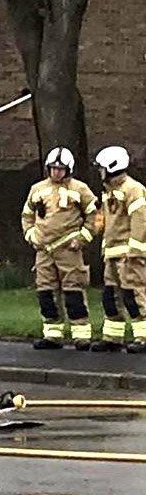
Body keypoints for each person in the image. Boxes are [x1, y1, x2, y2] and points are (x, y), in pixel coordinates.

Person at [20, 147, 98, 350]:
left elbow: (95, 217)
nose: (56, 172)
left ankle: (81, 336)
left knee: (73, 292)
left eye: (60, 169)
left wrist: (83, 238)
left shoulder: (80, 189)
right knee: (46, 293)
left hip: (68, 249)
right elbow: (27, 215)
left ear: (68, 169)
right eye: (53, 168)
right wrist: (31, 235)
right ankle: (52, 335)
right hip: (44, 251)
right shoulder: (37, 189)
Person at [91, 146, 146, 352]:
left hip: (128, 254)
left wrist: (136, 251)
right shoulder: (109, 191)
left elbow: (141, 221)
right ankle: (113, 338)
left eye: (102, 168)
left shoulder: (133, 189)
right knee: (110, 297)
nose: (100, 172)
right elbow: (106, 220)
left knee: (134, 294)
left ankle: (143, 337)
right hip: (113, 252)